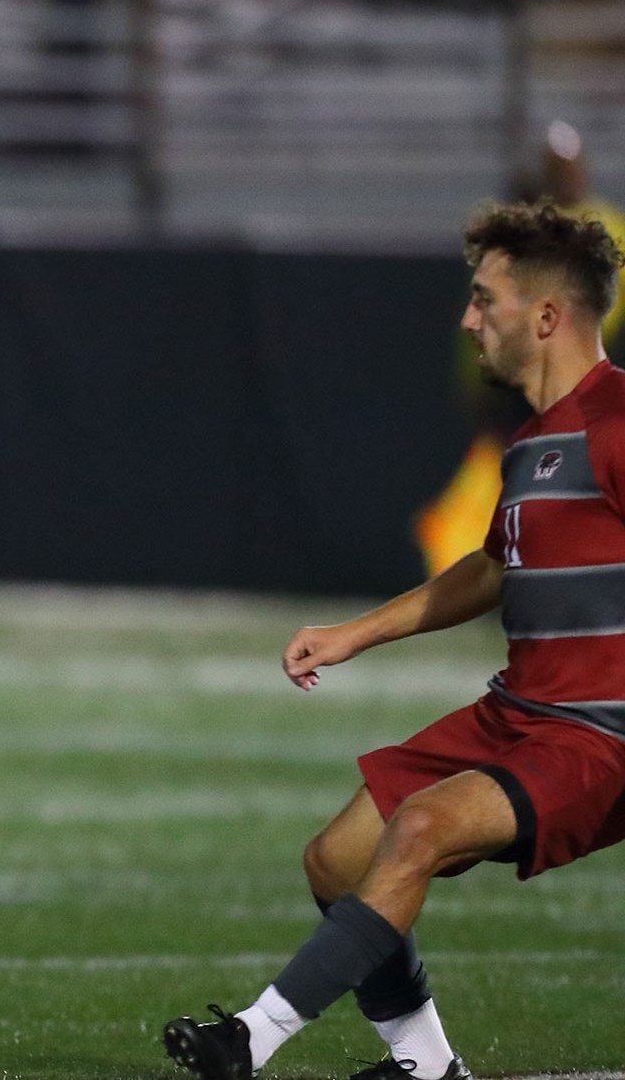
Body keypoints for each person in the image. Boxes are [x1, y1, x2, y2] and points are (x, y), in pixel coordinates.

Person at [162, 201, 625, 1080]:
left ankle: (248, 1040)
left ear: (547, 317)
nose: (468, 319)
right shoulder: (532, 442)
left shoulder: (619, 422)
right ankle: (427, 1066)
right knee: (337, 860)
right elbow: (490, 569)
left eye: (484, 299)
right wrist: (353, 635)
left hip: (600, 732)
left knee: (418, 829)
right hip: (518, 713)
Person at [416, 122, 625, 576]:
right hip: (524, 383)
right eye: (555, 168)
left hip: (584, 376)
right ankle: (497, 569)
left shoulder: (607, 224)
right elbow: (483, 310)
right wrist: (476, 377)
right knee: (515, 479)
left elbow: (605, 310)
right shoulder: (522, 233)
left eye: (569, 167)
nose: (565, 178)